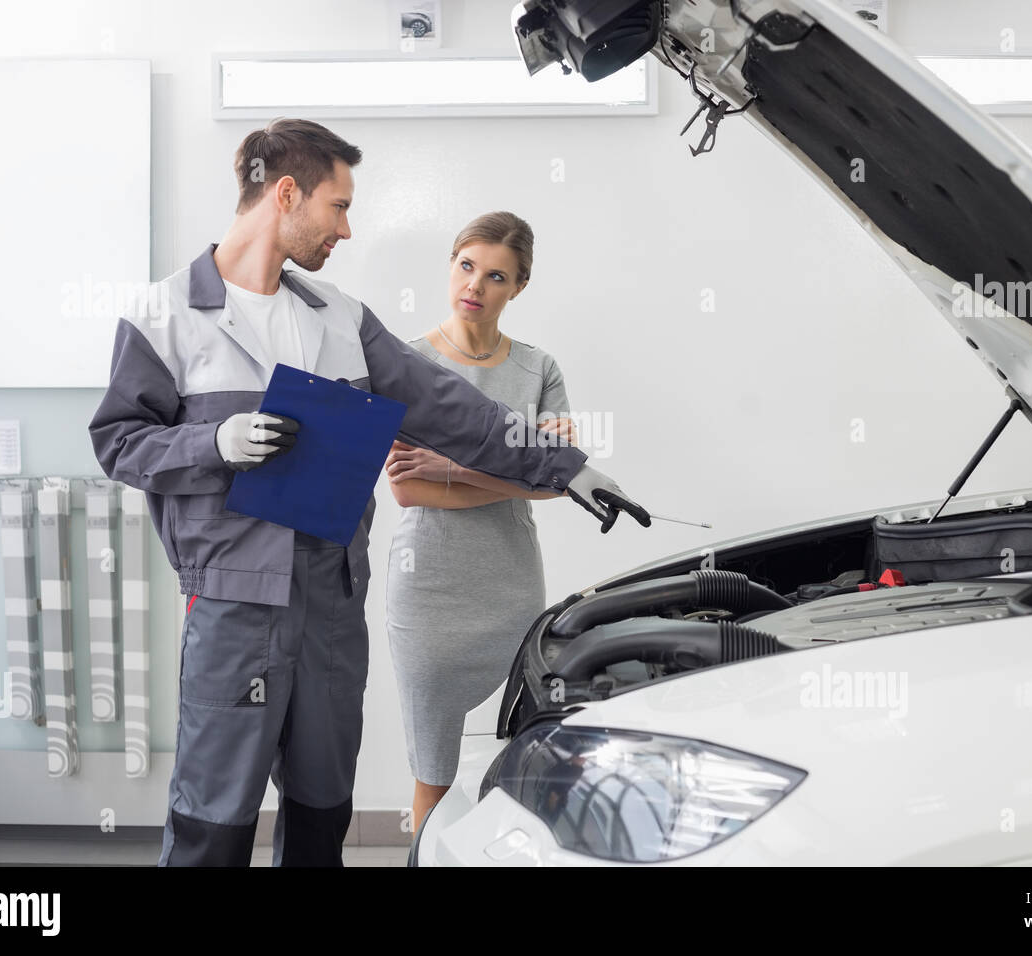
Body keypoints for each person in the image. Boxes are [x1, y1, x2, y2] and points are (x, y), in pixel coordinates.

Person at [86, 119, 650, 867]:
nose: (347, 230)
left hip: (331, 600)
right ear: (286, 194)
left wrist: (566, 466)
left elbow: (452, 409)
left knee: (324, 813)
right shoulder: (164, 318)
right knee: (212, 822)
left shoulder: (340, 319)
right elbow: (118, 442)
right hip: (233, 607)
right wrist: (213, 444)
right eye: (338, 206)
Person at [384, 212, 577, 830]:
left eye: (496, 276)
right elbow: (409, 490)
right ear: (451, 265)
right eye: (467, 266)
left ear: (517, 287)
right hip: (428, 590)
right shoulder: (407, 363)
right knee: (432, 773)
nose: (476, 286)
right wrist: (515, 469)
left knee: (521, 759)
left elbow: (557, 483)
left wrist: (455, 467)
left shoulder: (537, 369)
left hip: (511, 587)